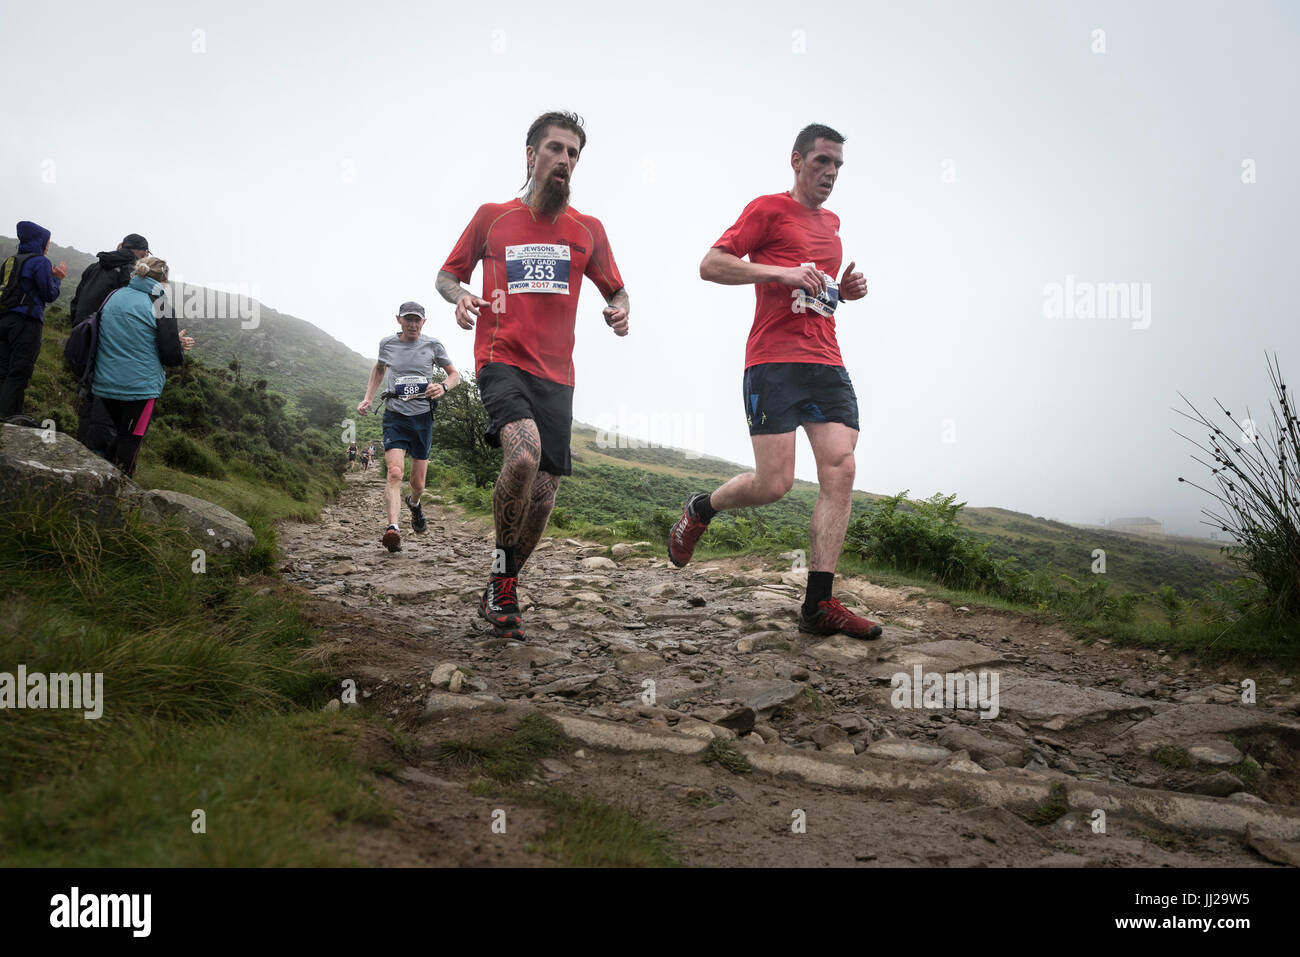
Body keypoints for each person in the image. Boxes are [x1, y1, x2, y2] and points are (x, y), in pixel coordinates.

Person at [667, 123, 883, 641]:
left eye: (837, 166)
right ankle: (702, 508)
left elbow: (816, 290)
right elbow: (711, 265)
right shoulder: (767, 209)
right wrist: (779, 273)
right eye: (821, 162)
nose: (830, 174)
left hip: (827, 360)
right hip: (773, 360)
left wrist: (843, 292)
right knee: (775, 483)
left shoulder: (832, 223)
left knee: (841, 468)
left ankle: (819, 603)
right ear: (796, 160)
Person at [435, 110, 630, 641]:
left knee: (544, 494)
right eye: (556, 149)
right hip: (502, 359)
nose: (565, 160)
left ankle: (503, 583)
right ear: (531, 155)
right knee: (523, 457)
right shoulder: (493, 217)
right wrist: (462, 296)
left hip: (558, 376)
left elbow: (616, 287)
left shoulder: (588, 230)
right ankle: (502, 580)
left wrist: (620, 309)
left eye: (574, 153)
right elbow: (447, 276)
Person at [357, 302, 460, 552]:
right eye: (408, 319)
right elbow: (379, 369)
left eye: (417, 320)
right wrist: (368, 397)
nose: (412, 324)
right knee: (394, 472)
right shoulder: (387, 344)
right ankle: (393, 528)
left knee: (418, 484)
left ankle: (414, 504)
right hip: (395, 417)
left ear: (423, 322)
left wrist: (443, 387)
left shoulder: (433, 345)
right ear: (399, 320)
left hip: (422, 419)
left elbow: (454, 374)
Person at [83, 257, 194, 476]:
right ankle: (123, 494)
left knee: (115, 436)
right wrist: (176, 344)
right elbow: (171, 357)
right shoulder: (160, 305)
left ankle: (100, 481)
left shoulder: (114, 296)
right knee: (130, 444)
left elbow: (128, 334)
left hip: (105, 384)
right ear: (163, 279)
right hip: (139, 390)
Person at [0, 221, 68, 424]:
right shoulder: (40, 262)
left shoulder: (11, 260)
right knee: (20, 370)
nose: (48, 246)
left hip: (4, 320)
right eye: (47, 242)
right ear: (40, 242)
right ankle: (10, 419)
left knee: (2, 370)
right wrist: (58, 278)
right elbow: (49, 294)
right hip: (26, 323)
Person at [69, 233, 150, 323]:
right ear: (143, 251)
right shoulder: (131, 271)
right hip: (104, 330)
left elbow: (77, 298)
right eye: (147, 252)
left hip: (81, 326)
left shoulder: (94, 266)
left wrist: (77, 324)